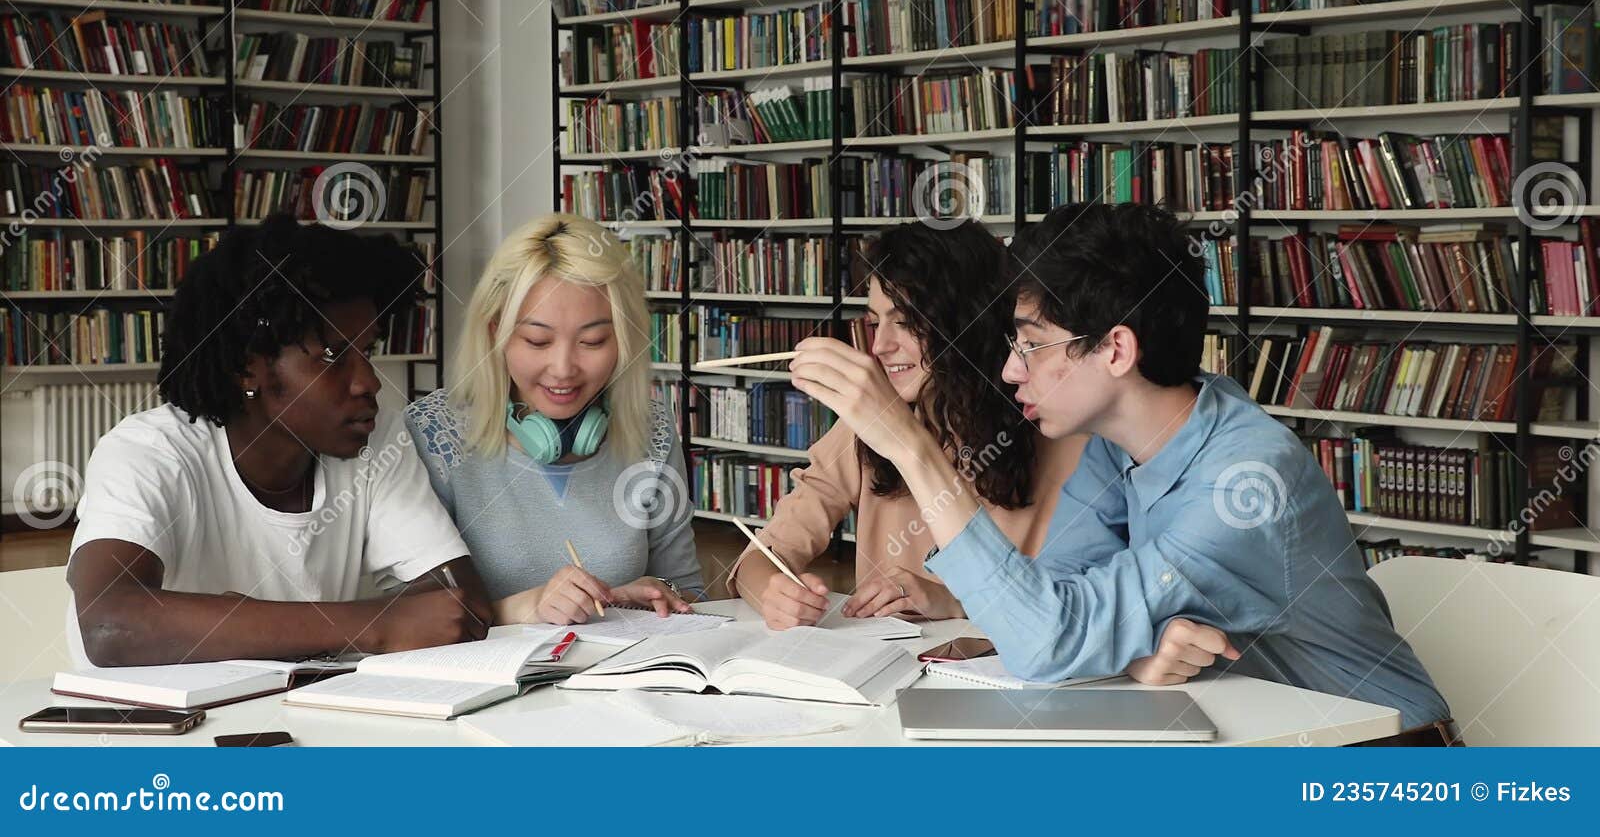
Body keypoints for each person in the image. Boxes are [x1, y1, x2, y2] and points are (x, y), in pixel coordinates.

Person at [788, 202, 1453, 738]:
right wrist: (1136, 648)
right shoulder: (1118, 444)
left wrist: (912, 447)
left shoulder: (1246, 483)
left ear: (1116, 349)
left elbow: (1045, 639)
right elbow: (1048, 601)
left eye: (1030, 345)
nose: (1010, 369)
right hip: (1246, 728)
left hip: (1383, 755)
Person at [66, 213, 492, 668]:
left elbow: (456, 601)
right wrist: (376, 625)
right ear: (250, 367)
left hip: (299, 719)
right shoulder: (148, 452)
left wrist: (248, 620)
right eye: (333, 355)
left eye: (366, 352)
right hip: (143, 730)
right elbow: (111, 625)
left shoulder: (378, 438)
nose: (368, 382)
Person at [732, 222, 1084, 627]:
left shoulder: (1057, 431)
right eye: (873, 322)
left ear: (967, 322)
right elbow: (764, 553)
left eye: (904, 321)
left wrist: (954, 601)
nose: (880, 345)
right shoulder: (864, 426)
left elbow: (1073, 608)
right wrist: (774, 592)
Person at [405, 213, 703, 626]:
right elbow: (406, 619)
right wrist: (526, 608)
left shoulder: (651, 427)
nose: (563, 369)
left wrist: (652, 595)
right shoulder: (434, 433)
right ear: (496, 333)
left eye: (592, 341)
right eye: (537, 341)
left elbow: (689, 592)